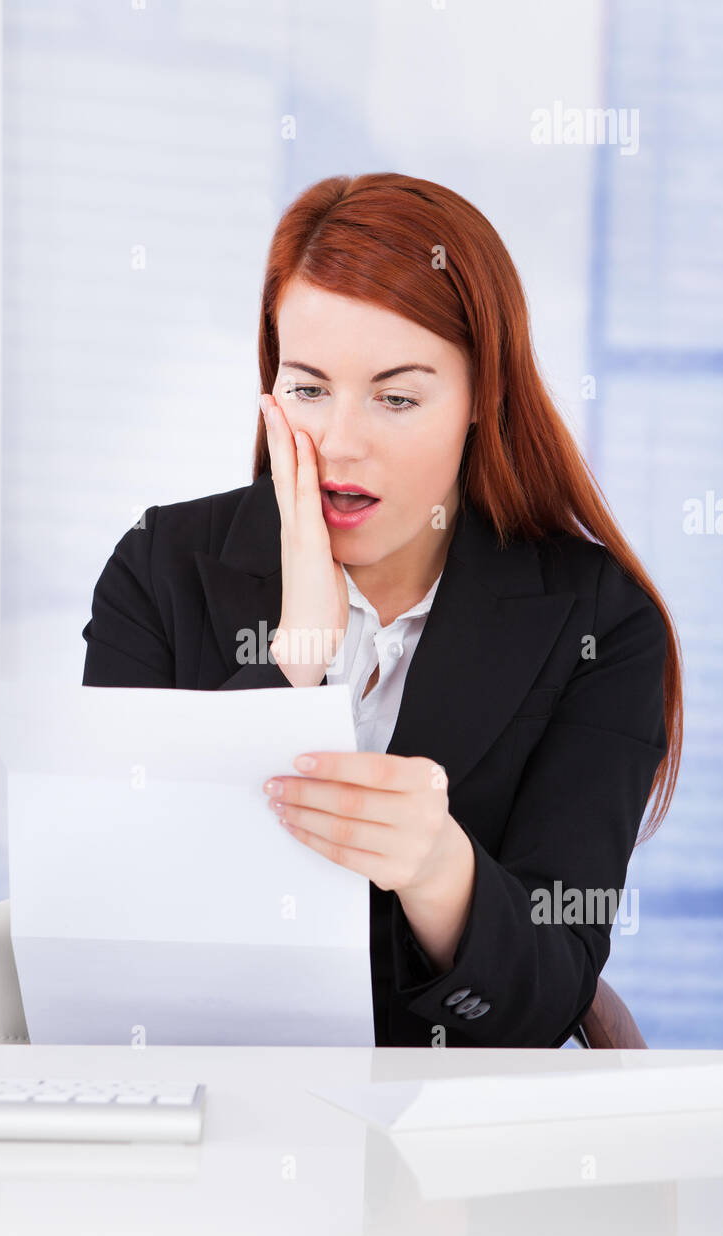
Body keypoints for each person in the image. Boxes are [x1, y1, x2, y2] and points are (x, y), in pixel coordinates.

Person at [82, 172, 683, 1047]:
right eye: (308, 389)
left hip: (444, 1145)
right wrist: (293, 657)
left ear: (485, 398)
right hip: (197, 1113)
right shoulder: (159, 568)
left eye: (397, 398)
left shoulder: (599, 623)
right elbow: (116, 911)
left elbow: (549, 996)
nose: (340, 444)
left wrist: (439, 869)